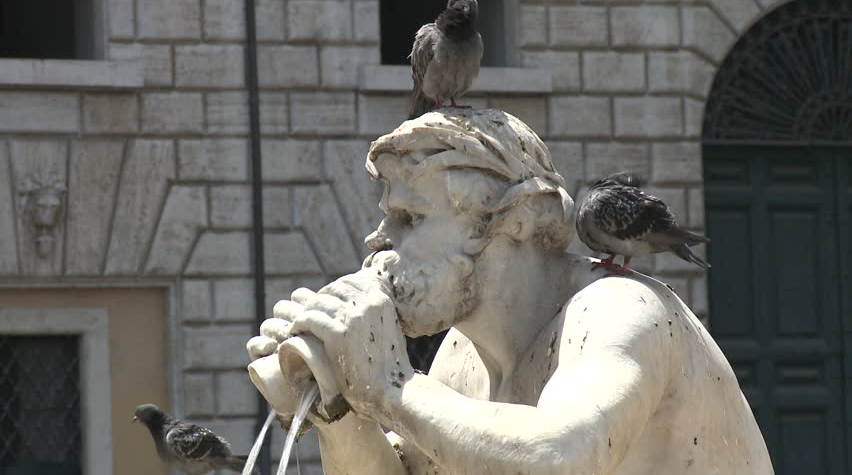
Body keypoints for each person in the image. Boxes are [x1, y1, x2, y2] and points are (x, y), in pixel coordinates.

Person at [247, 109, 774, 474]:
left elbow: (562, 459)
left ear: (518, 218)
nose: (377, 240)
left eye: (410, 218)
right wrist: (339, 404)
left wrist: (388, 385)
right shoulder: (462, 354)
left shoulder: (620, 310)